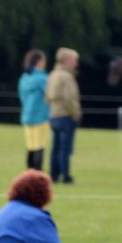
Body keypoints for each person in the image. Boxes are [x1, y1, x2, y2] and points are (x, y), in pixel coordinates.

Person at [45, 47, 82, 185]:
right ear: (66, 61)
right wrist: (76, 113)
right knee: (65, 148)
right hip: (66, 116)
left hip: (54, 115)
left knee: (55, 147)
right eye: (74, 61)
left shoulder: (52, 74)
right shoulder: (67, 76)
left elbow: (47, 96)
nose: (76, 64)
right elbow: (70, 97)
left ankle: (53, 175)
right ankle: (66, 175)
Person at [17, 49, 50, 173]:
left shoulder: (24, 78)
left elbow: (21, 96)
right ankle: (38, 174)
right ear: (39, 62)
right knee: (39, 147)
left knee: (30, 146)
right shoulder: (43, 78)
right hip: (41, 117)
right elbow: (50, 95)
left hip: (27, 116)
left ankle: (29, 173)